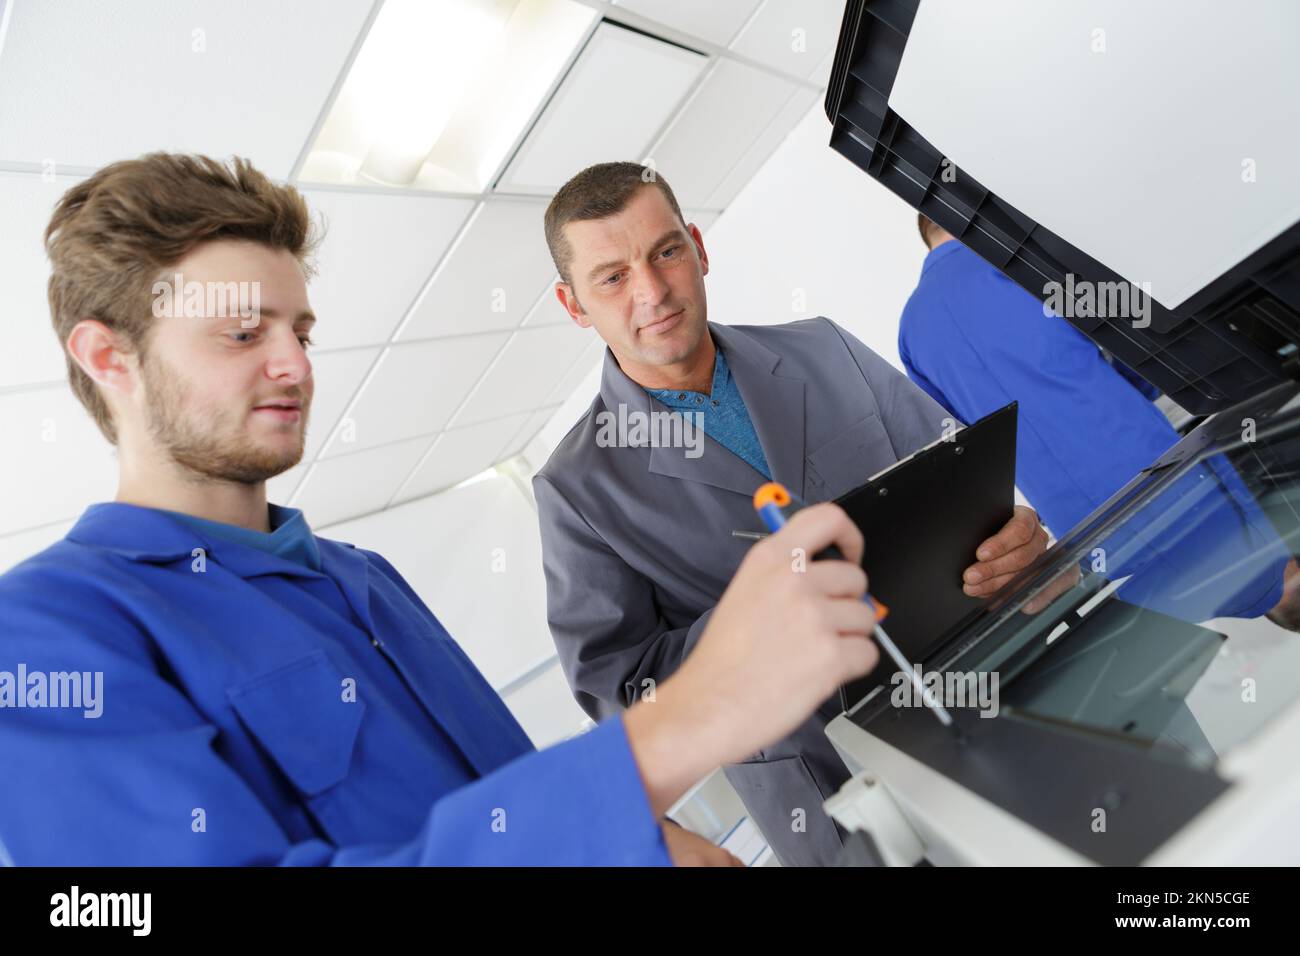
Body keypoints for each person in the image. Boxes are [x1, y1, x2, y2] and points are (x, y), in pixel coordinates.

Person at [0, 152, 883, 866]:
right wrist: (679, 727)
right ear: (108, 358)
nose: (295, 366)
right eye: (242, 333)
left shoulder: (359, 581)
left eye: (299, 332)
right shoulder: (47, 634)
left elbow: (489, 807)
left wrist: (638, 841)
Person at [533, 163, 1049, 866]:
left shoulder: (823, 347)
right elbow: (622, 692)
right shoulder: (576, 490)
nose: (651, 292)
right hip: (832, 786)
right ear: (573, 304)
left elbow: (959, 473)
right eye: (612, 277)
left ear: (697, 247)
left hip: (994, 695)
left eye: (665, 252)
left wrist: (1011, 535)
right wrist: (756, 623)